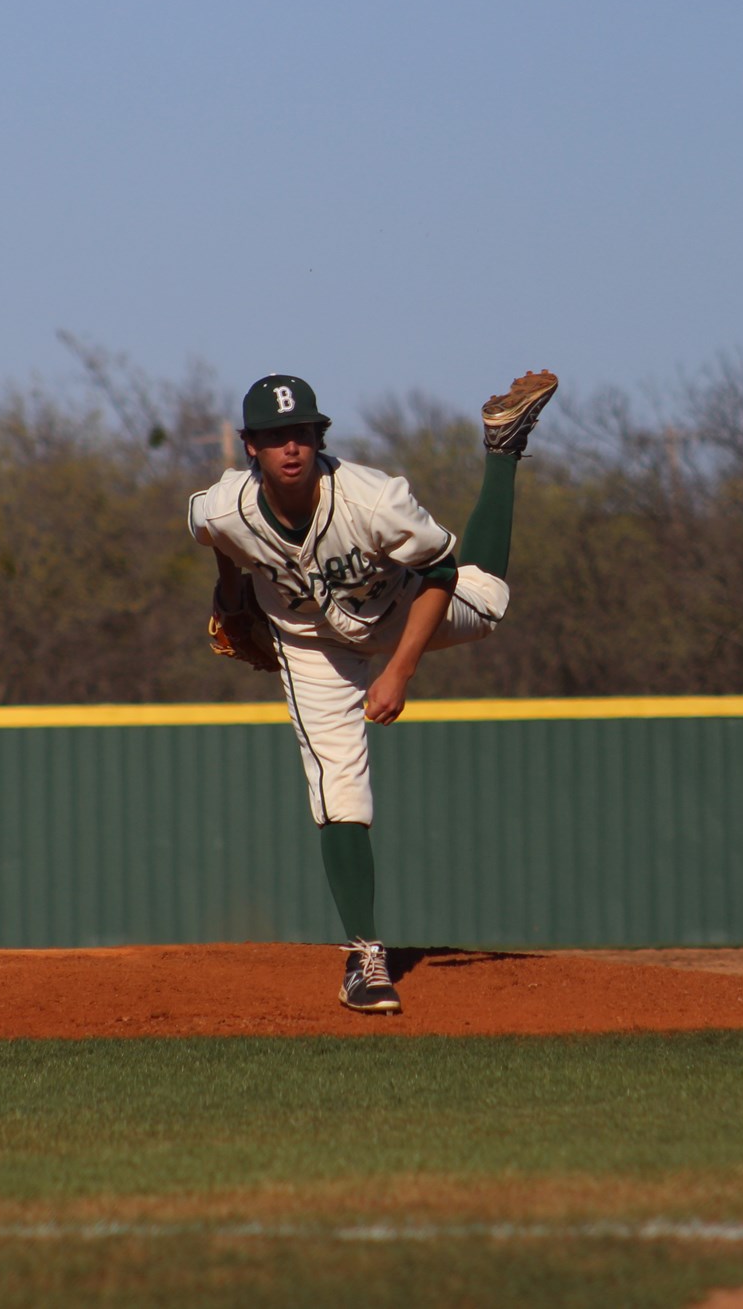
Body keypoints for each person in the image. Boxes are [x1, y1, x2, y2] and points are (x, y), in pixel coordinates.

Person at [187, 369, 557, 1013]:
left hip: (405, 610)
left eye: (301, 431)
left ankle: (503, 449)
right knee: (337, 783)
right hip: (310, 644)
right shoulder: (222, 507)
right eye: (276, 437)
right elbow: (213, 536)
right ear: (251, 446)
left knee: (488, 600)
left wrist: (400, 671)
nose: (291, 447)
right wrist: (230, 596)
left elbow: (440, 568)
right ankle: (364, 958)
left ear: (318, 435)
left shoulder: (372, 499)